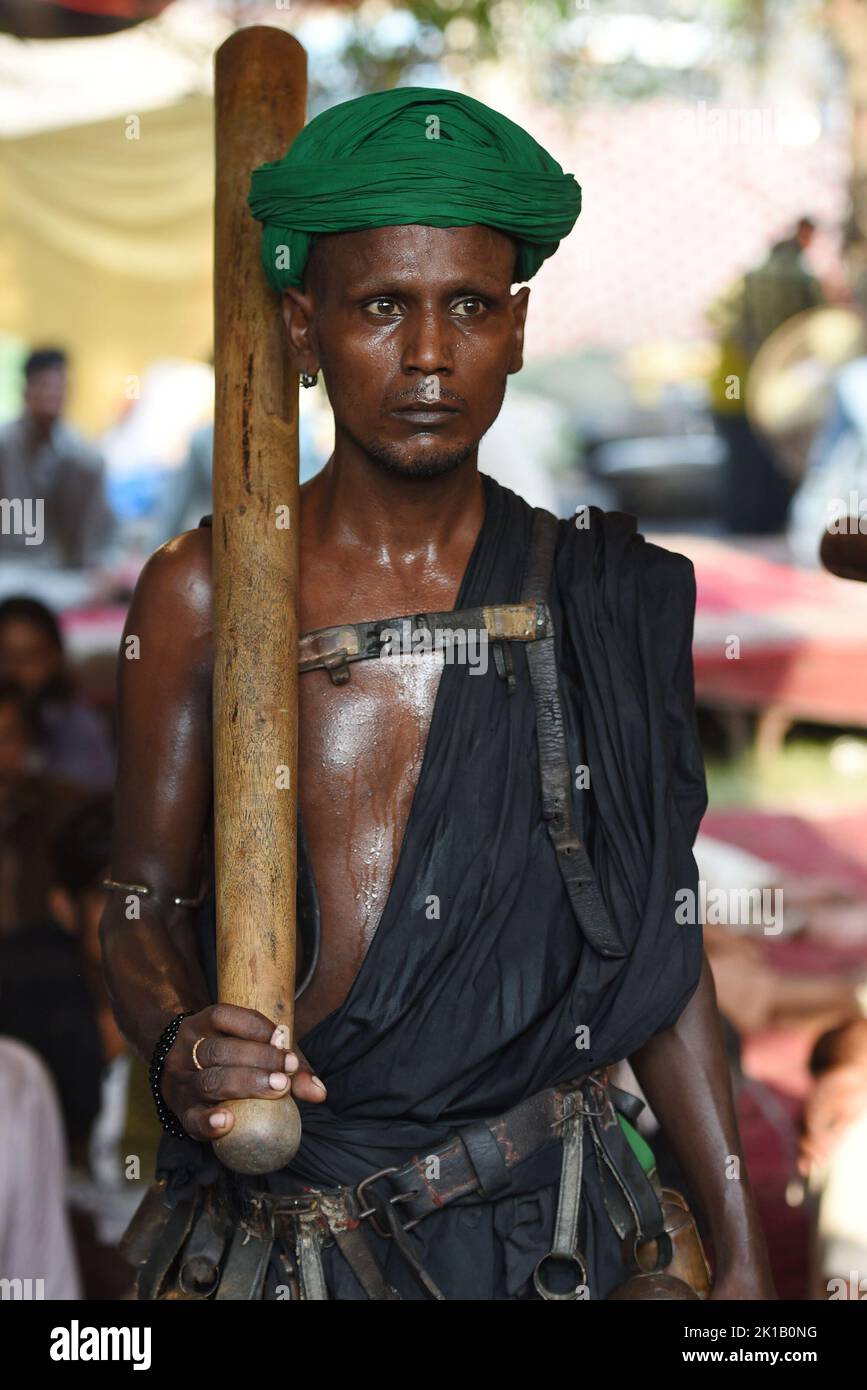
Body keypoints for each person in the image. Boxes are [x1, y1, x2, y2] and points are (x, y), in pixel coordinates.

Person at [101, 87, 774, 1301]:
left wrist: (742, 1251)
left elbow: (658, 951)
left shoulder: (600, 595)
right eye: (380, 307)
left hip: (546, 1231)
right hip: (290, 1237)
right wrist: (179, 1044)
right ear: (302, 330)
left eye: (468, 306)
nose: (427, 354)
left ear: (516, 329)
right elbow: (139, 902)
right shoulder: (205, 593)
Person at [707, 217, 825, 535]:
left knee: (743, 462)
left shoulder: (747, 283)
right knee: (766, 463)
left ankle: (744, 523)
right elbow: (817, 327)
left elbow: (714, 317)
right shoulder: (802, 280)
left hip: (736, 395)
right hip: (764, 392)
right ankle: (764, 522)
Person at [0, 347, 115, 569]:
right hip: (8, 563)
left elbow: (102, 528)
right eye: (44, 386)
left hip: (64, 568)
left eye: (58, 387)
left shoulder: (85, 457)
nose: (51, 395)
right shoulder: (5, 445)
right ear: (26, 389)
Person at [0, 596, 115, 792]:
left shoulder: (76, 728)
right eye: (4, 657)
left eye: (28, 657)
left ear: (55, 658)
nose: (13, 671)